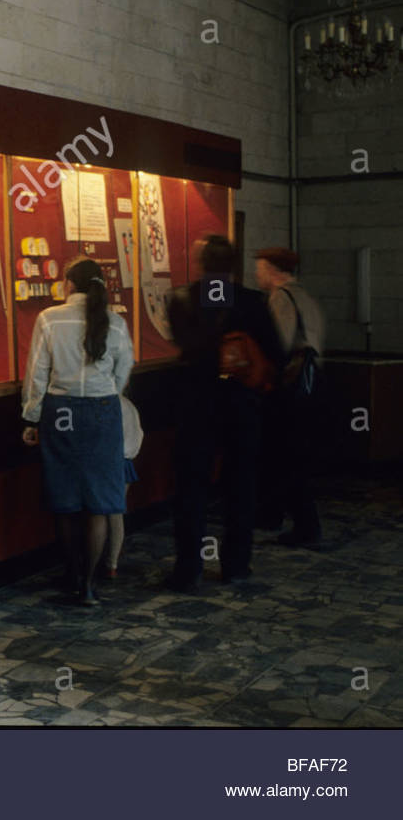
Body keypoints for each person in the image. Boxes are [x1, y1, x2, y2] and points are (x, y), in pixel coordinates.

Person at [166, 235, 284, 592]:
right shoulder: (252, 303)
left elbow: (184, 347)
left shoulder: (182, 299)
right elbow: (275, 353)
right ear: (234, 265)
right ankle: (235, 565)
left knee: (191, 488)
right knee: (241, 486)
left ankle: (189, 569)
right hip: (241, 405)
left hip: (196, 406)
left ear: (201, 263)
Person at [21, 257, 133, 606]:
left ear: (69, 283)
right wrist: (104, 394)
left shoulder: (49, 319)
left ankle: (70, 575)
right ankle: (88, 584)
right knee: (98, 504)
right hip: (103, 412)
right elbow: (124, 370)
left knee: (65, 500)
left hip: (61, 412)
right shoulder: (115, 322)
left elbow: (37, 373)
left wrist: (32, 417)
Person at [254, 247, 325, 548]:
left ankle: (304, 526)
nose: (257, 274)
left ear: (272, 270)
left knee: (284, 456)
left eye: (260, 268)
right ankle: (280, 516)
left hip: (288, 391)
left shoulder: (281, 297)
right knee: (291, 456)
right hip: (308, 389)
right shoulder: (305, 297)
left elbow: (279, 344)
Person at [102, 394, 144, 580]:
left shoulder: (104, 405)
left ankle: (110, 562)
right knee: (115, 513)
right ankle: (112, 559)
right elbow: (138, 437)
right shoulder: (129, 404)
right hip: (125, 463)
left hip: (109, 463)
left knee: (109, 515)